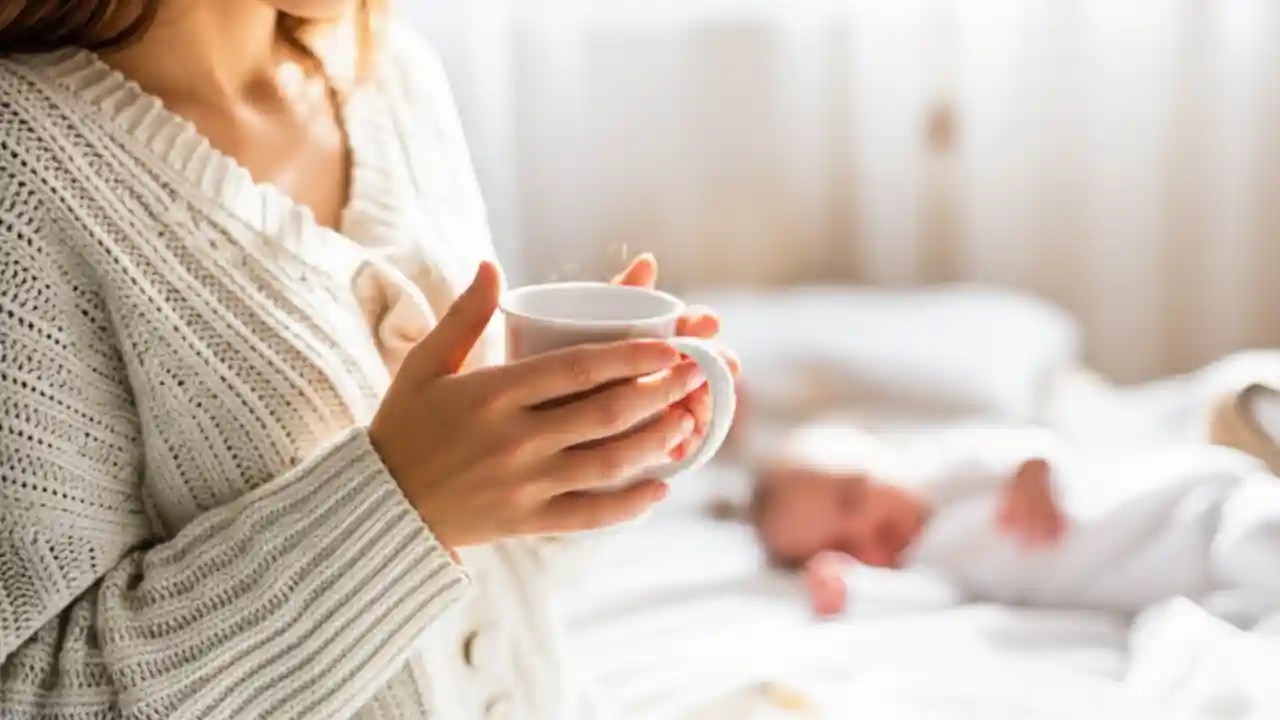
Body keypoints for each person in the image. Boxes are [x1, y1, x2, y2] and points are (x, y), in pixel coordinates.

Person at [0, 3, 737, 718]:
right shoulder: (22, 170)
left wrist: (589, 442)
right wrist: (403, 505)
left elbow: (487, 584)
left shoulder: (395, 79)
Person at [751, 424, 1280, 626]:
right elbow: (932, 600)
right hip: (1182, 578)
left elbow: (1030, 443)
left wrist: (1031, 472)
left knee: (1258, 547)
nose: (868, 530)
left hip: (1198, 509)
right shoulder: (931, 568)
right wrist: (852, 590)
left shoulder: (947, 472)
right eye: (845, 546)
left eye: (854, 495)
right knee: (1249, 604)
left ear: (886, 452)